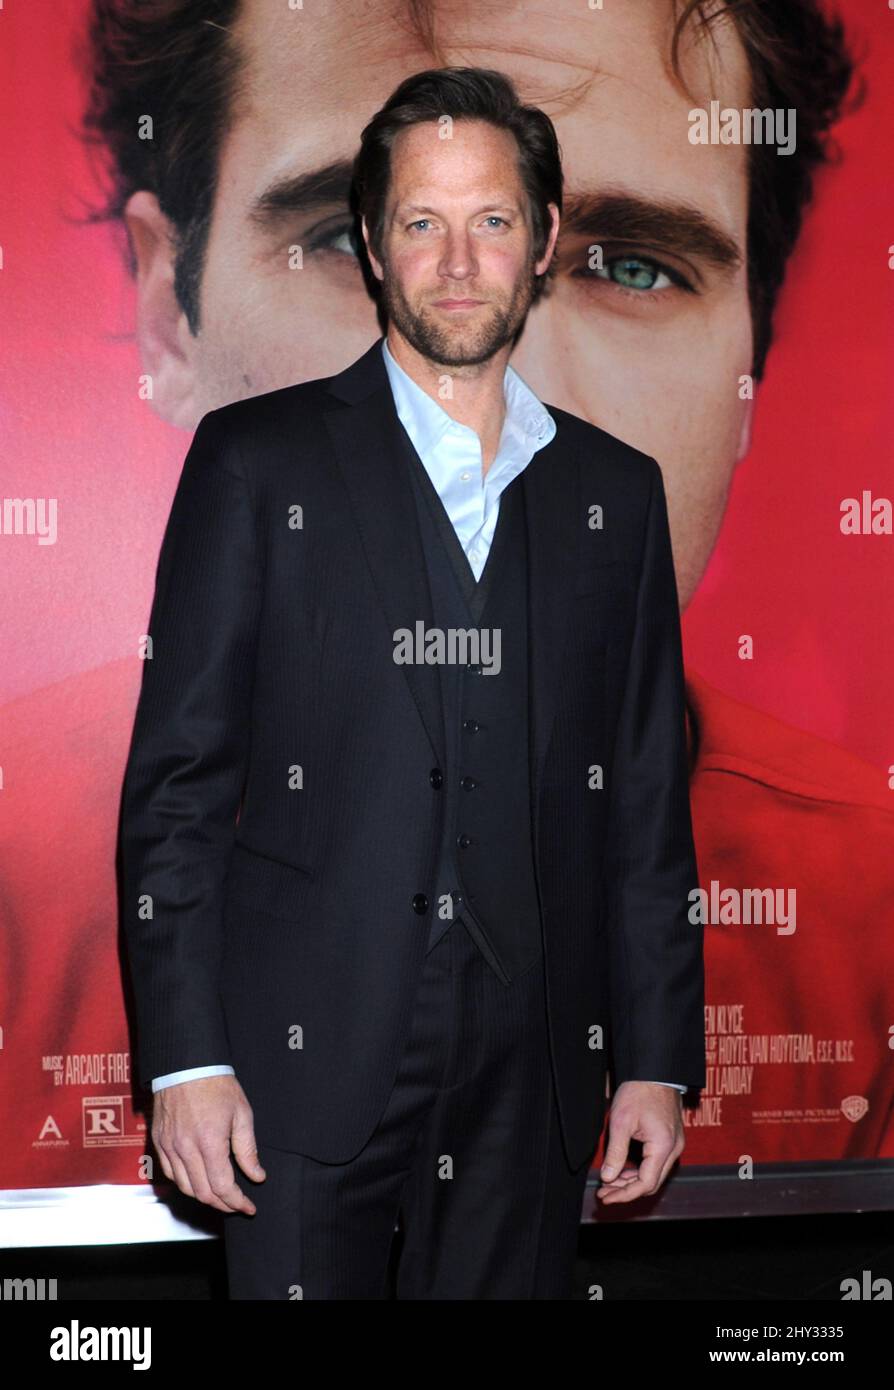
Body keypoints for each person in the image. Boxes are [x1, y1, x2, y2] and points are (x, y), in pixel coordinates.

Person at [119, 67, 705, 1299]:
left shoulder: (617, 494)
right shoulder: (254, 463)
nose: (455, 262)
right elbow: (178, 786)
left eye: (491, 221)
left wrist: (655, 1055)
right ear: (377, 250)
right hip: (299, 1055)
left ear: (544, 242)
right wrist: (186, 1062)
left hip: (534, 1064)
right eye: (419, 223)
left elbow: (645, 801)